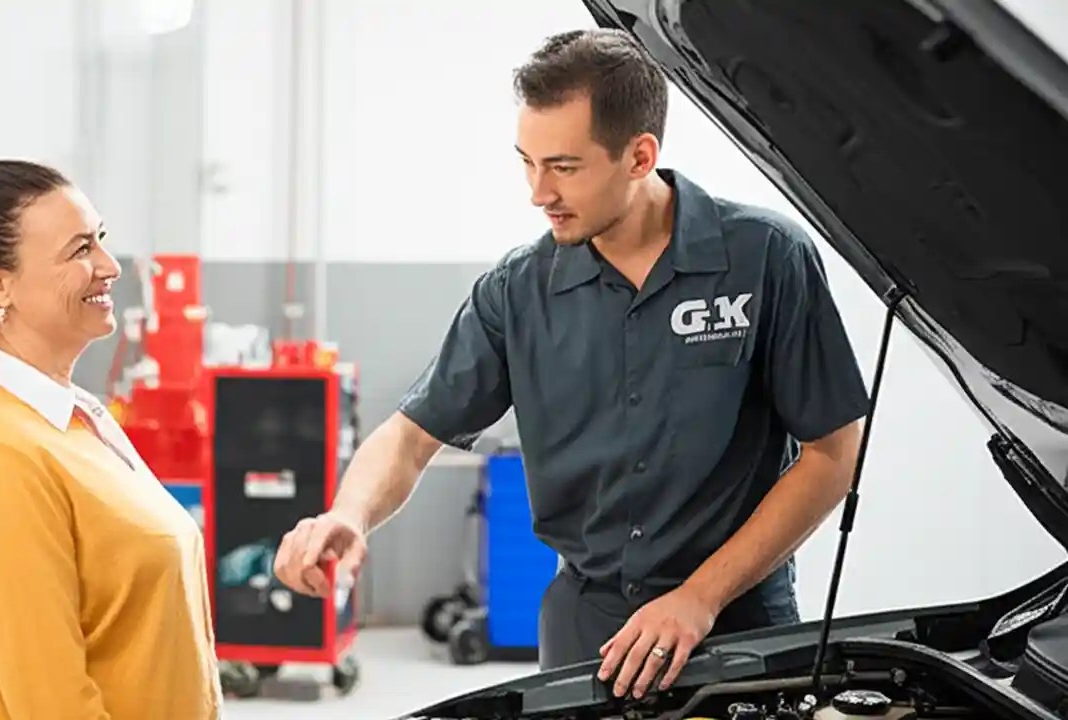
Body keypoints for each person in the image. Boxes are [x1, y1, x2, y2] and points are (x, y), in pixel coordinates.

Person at [273, 28, 869, 700]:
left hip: (737, 623)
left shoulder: (767, 258)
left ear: (639, 156)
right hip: (589, 631)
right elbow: (413, 435)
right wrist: (348, 514)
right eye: (526, 161)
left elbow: (831, 453)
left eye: (563, 166)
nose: (536, 191)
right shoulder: (518, 291)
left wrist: (700, 597)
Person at [0, 159, 222, 719]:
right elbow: (53, 707)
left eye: (102, 240)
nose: (109, 266)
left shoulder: (75, 418)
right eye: (79, 250)